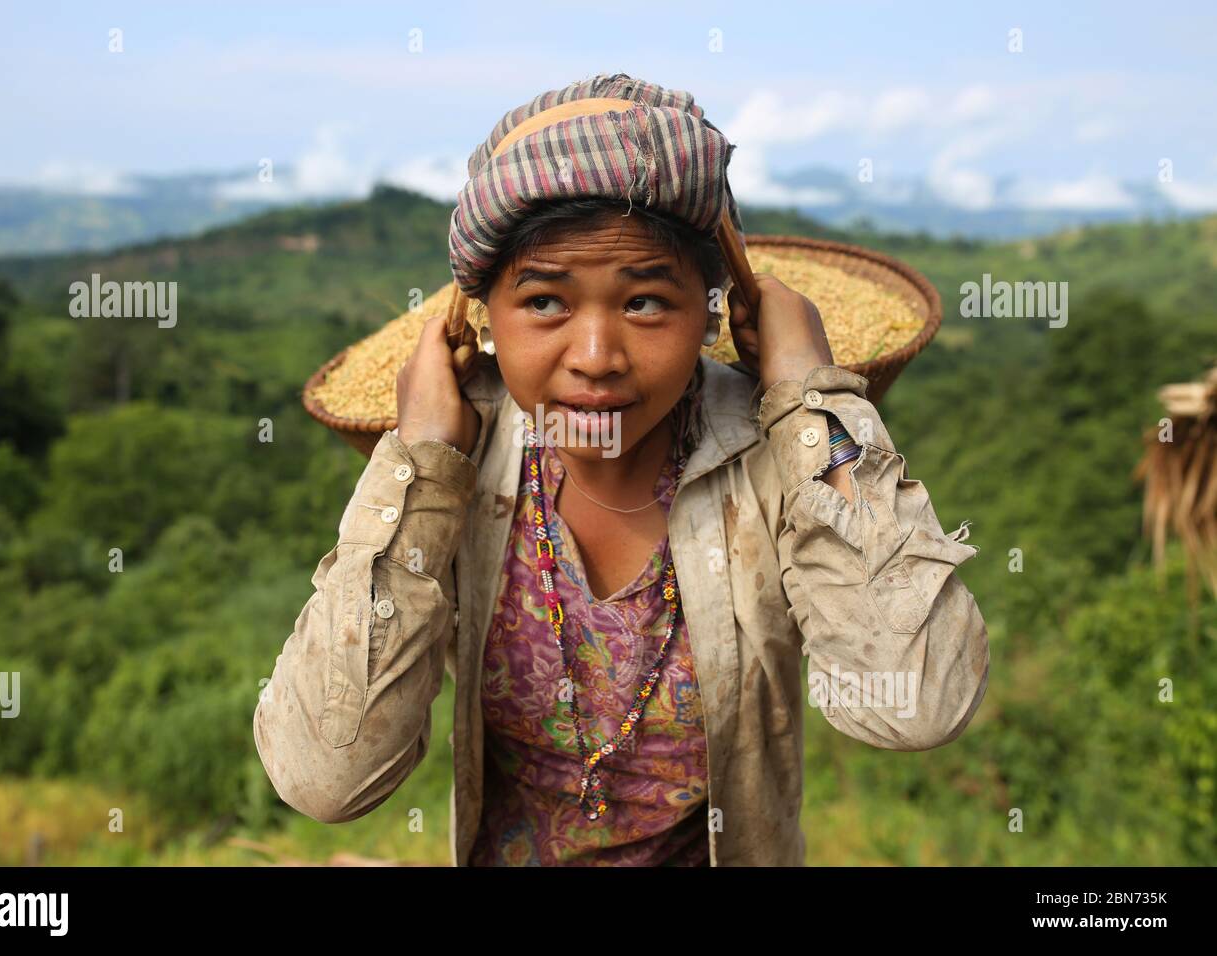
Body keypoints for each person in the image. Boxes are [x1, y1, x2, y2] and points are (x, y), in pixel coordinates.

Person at [254, 73, 989, 866]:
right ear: (483, 316)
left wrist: (809, 400)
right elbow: (325, 777)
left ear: (712, 310)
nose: (596, 360)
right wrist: (423, 462)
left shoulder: (773, 466)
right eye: (544, 303)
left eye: (644, 303)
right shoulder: (462, 474)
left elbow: (916, 706)